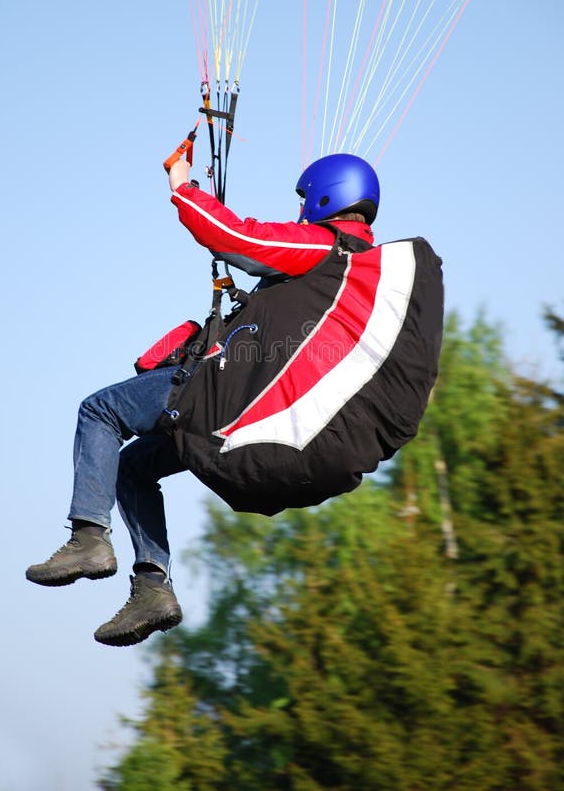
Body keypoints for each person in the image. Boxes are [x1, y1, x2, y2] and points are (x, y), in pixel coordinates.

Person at [25, 153, 397, 647]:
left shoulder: (322, 245)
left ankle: (89, 537)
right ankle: (153, 588)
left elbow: (240, 238)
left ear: (328, 195)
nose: (303, 208)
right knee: (133, 469)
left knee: (100, 410)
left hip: (221, 394)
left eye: (307, 199)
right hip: (245, 411)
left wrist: (183, 186)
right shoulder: (349, 270)